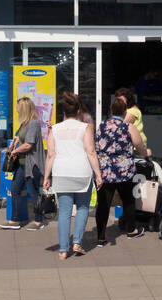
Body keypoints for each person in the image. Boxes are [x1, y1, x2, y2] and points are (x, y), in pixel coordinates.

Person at [42, 91, 102, 259]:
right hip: (82, 172)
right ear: (78, 112)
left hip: (61, 173)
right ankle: (77, 242)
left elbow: (51, 155)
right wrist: (98, 174)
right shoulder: (85, 128)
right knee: (83, 208)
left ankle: (63, 249)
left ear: (63, 112)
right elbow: (90, 152)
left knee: (65, 211)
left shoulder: (54, 129)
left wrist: (46, 177)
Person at [95, 94, 146, 245]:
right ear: (125, 111)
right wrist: (146, 153)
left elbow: (96, 146)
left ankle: (101, 236)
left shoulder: (101, 126)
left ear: (111, 110)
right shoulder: (128, 127)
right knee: (128, 200)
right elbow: (139, 144)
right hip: (124, 171)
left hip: (105, 171)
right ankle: (131, 229)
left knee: (103, 203)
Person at [1, 97, 46, 230]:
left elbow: (28, 145)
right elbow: (19, 137)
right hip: (22, 164)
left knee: (33, 192)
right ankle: (14, 220)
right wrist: (15, 140)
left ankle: (38, 221)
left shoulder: (33, 123)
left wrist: (15, 151)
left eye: (18, 107)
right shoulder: (24, 124)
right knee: (15, 189)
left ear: (24, 108)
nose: (16, 109)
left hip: (32, 165)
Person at [115, 87, 151, 157]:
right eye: (117, 100)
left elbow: (119, 125)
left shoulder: (133, 111)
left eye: (121, 100)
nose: (119, 103)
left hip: (136, 145)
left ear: (128, 100)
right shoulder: (124, 110)